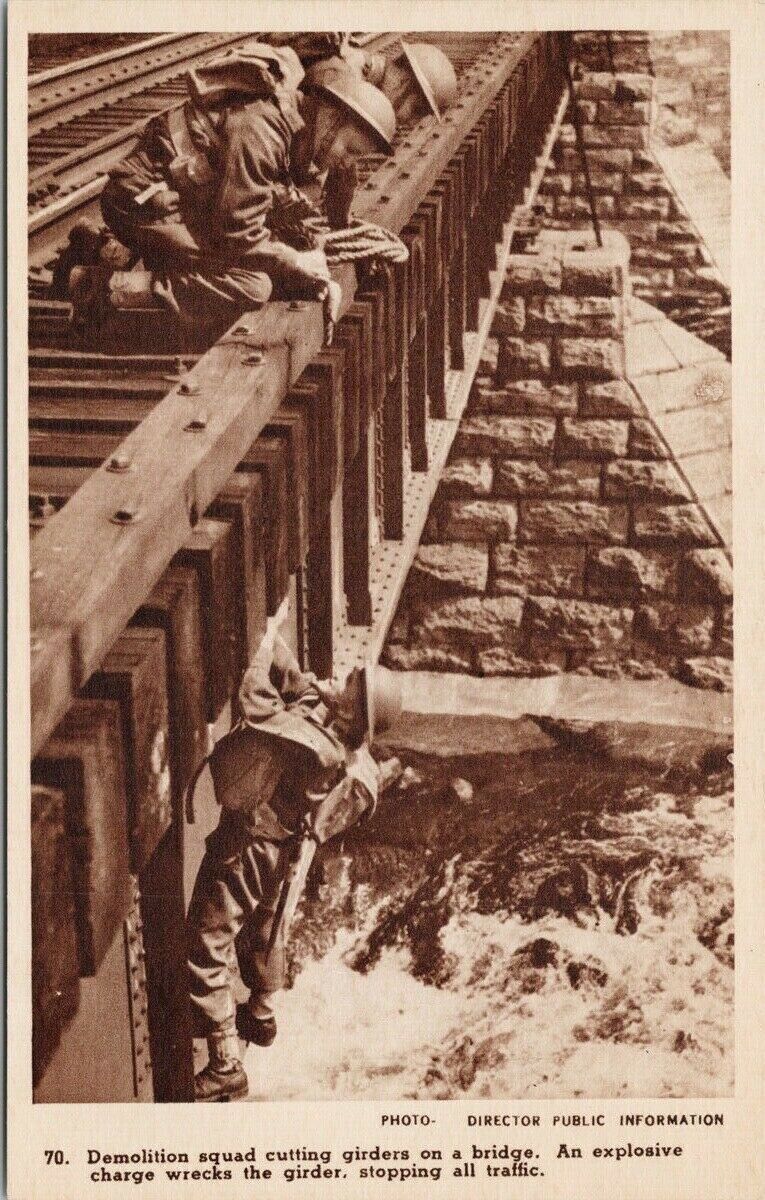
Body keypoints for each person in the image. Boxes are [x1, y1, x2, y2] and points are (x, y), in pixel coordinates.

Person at [186, 633, 403, 1102]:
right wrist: (271, 632)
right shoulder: (349, 754)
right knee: (265, 932)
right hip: (285, 853)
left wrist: (259, 644)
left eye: (349, 684)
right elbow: (297, 686)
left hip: (251, 846)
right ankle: (260, 1015)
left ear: (351, 711)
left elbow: (257, 702)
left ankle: (225, 1063)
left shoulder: (312, 744)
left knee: (207, 939)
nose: (339, 679)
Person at [72, 45, 395, 329]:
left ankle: (100, 248)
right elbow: (236, 232)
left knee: (272, 259)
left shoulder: (291, 124)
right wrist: (295, 262)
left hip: (178, 197)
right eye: (349, 150)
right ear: (332, 120)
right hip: (143, 201)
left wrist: (307, 243)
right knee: (250, 285)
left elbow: (265, 198)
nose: (346, 163)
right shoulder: (263, 130)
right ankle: (100, 286)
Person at [304, 40, 458, 123]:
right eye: (415, 110)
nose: (411, 122)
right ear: (402, 82)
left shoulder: (361, 69)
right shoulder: (345, 81)